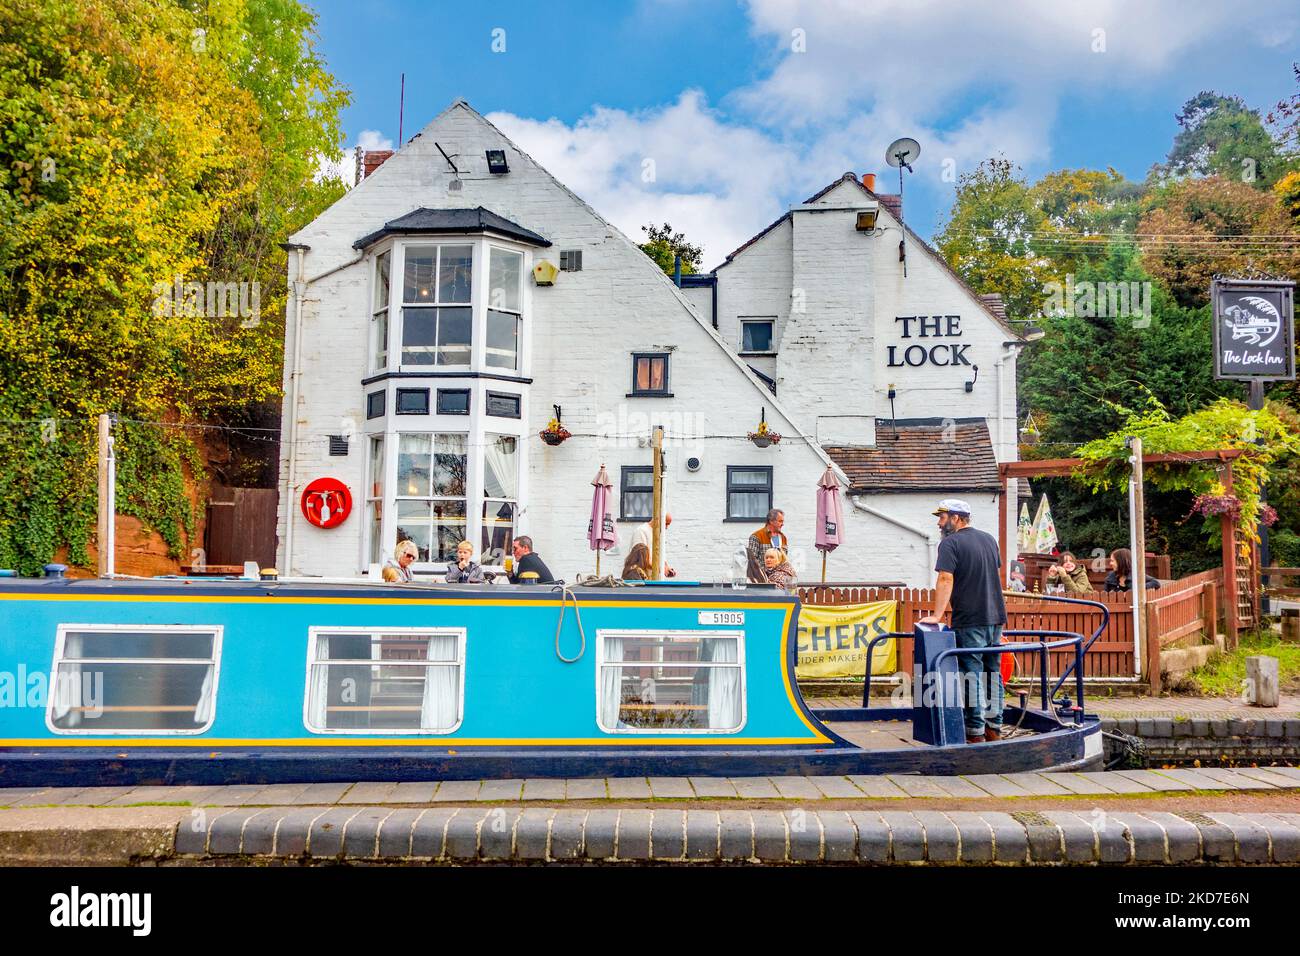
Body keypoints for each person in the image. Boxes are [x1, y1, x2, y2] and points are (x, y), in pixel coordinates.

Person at [919, 499, 1007, 745]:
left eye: (943, 517)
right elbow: (990, 572)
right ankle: (994, 729)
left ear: (956, 518)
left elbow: (946, 578)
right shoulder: (989, 539)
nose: (939, 522)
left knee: (971, 675)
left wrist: (936, 616)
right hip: (996, 617)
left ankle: (974, 733)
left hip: (970, 619)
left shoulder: (950, 543)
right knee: (993, 674)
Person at [746, 509, 789, 583]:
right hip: (762, 581)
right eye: (780, 521)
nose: (782, 524)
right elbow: (752, 562)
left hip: (780, 580)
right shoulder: (757, 536)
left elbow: (784, 560)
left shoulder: (783, 537)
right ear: (771, 521)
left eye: (782, 521)